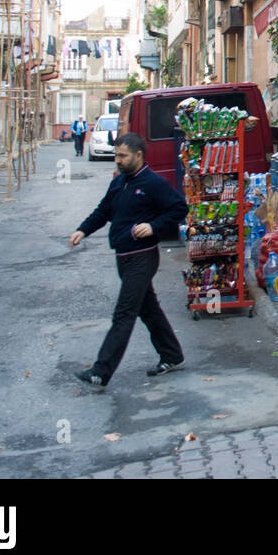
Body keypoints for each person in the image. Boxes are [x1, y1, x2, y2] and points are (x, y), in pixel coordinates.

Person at [70, 133, 187, 388]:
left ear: (138, 155)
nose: (118, 160)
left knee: (124, 313)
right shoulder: (119, 182)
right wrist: (83, 230)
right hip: (123, 257)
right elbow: (103, 211)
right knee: (148, 309)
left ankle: (100, 372)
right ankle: (172, 354)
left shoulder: (153, 182)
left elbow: (179, 208)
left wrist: (153, 226)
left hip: (142, 258)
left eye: (123, 156)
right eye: (116, 155)